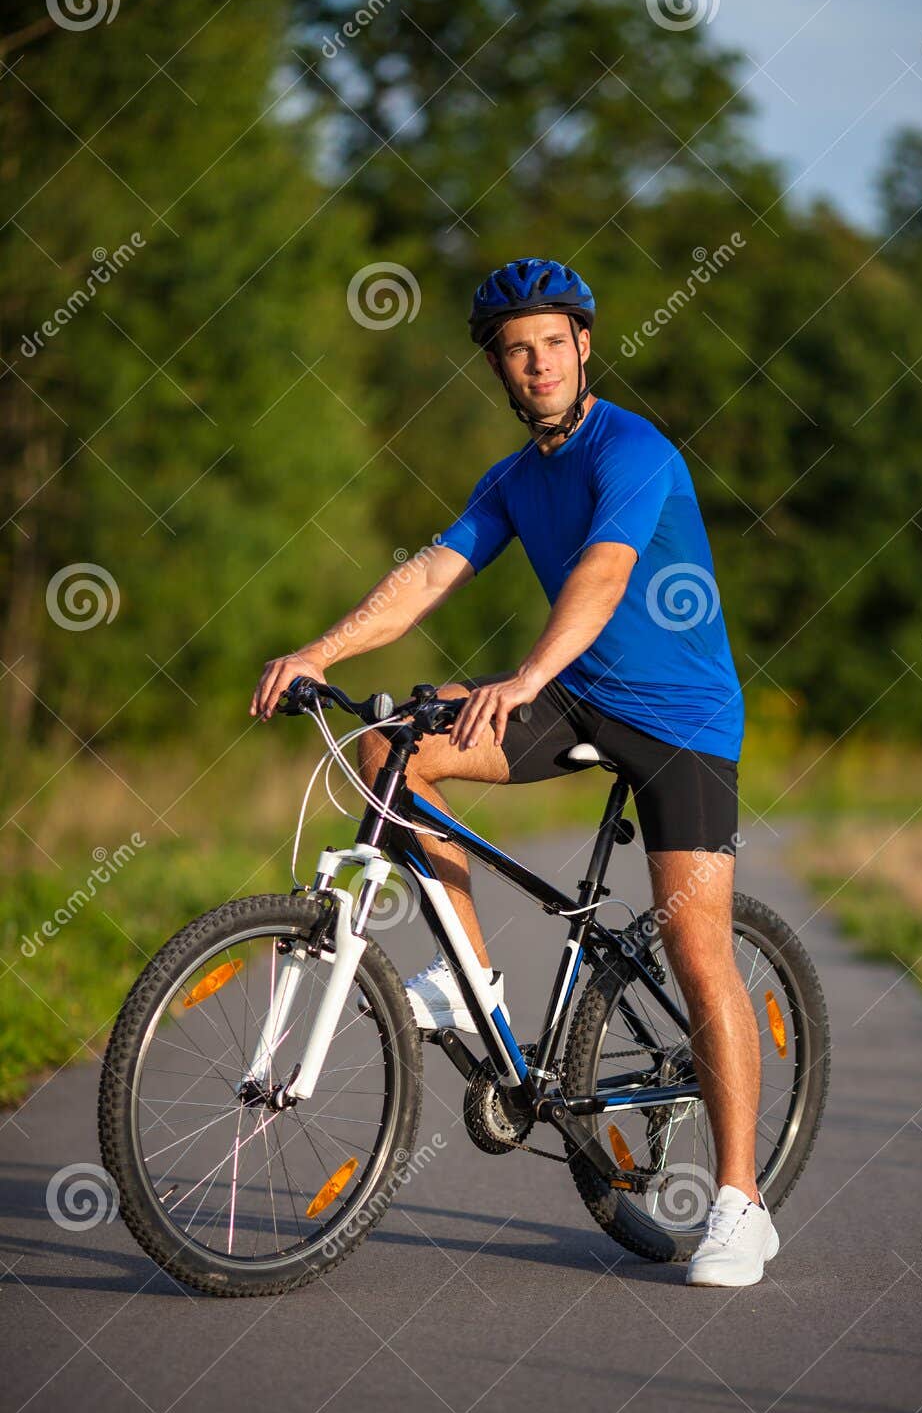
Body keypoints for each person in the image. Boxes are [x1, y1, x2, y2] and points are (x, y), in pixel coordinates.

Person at [250, 257, 777, 1288]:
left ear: (583, 346)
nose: (534, 363)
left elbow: (604, 572)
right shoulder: (512, 478)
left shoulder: (634, 450)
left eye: (549, 342)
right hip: (578, 697)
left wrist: (526, 673)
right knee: (392, 744)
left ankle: (739, 1201)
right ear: (497, 367)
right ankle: (468, 976)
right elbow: (427, 576)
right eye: (513, 350)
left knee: (697, 955)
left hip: (681, 721)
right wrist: (320, 651)